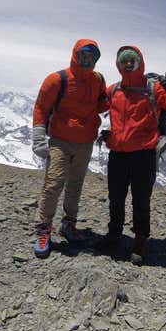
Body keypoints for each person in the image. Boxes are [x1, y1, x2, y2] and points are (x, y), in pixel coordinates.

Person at [97, 45, 166, 265]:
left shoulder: (154, 89)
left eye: (133, 60)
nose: (129, 63)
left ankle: (140, 239)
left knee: (141, 199)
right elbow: (96, 106)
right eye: (125, 60)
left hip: (144, 154)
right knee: (116, 197)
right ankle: (114, 233)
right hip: (118, 153)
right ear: (118, 64)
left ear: (140, 62)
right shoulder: (114, 90)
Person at [31, 39, 108, 258]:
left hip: (86, 141)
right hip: (60, 140)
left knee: (75, 184)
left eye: (92, 56)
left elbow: (101, 104)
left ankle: (69, 224)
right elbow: (41, 108)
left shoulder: (97, 80)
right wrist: (38, 139)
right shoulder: (57, 79)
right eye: (84, 55)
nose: (87, 59)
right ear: (76, 55)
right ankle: (43, 229)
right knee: (53, 184)